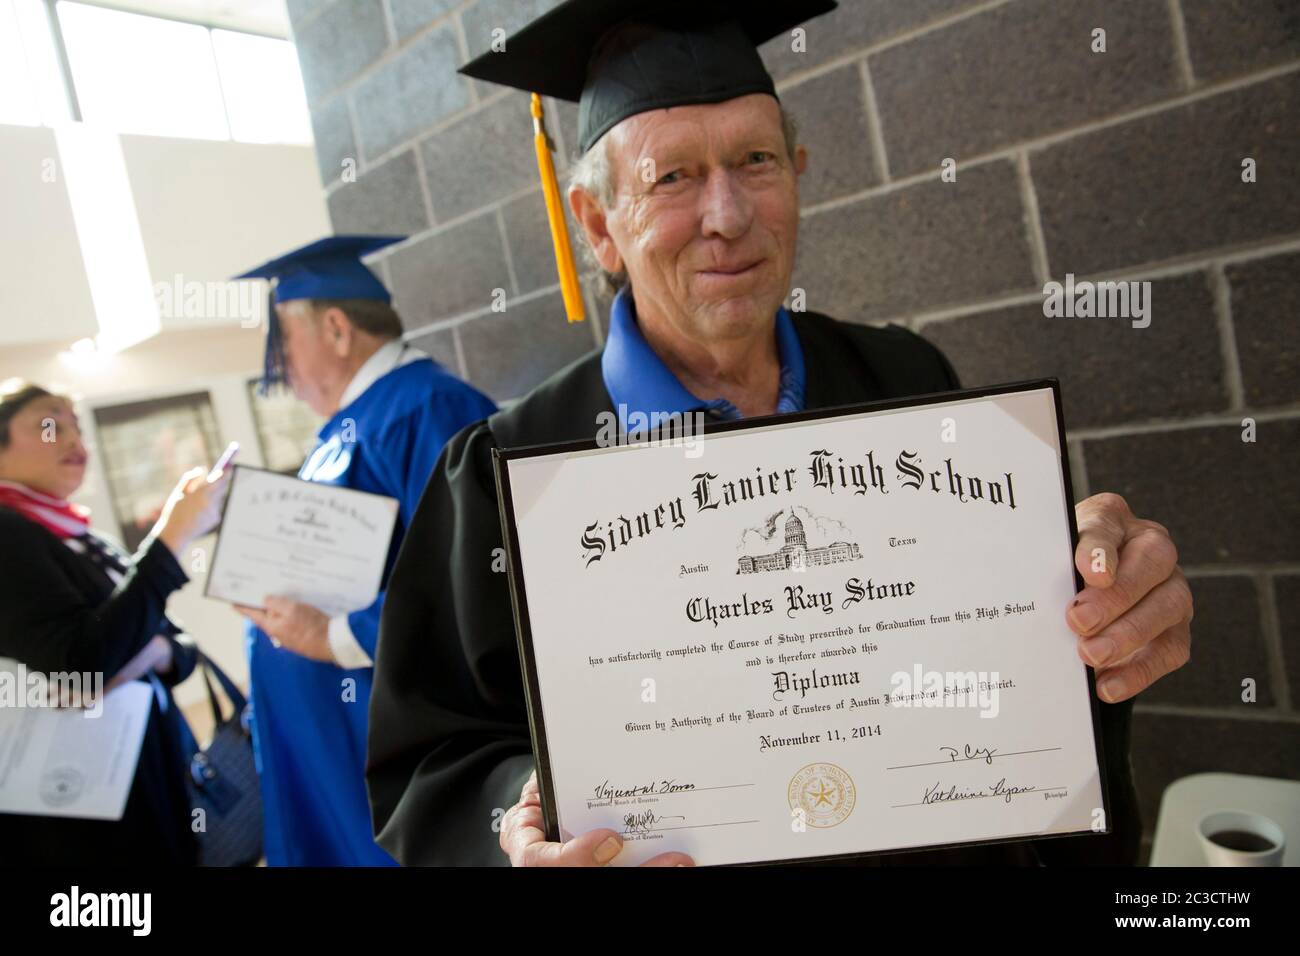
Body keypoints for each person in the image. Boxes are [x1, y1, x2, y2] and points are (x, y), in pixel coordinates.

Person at [367, 0, 1194, 867]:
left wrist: (1106, 616)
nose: (726, 214)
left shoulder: (908, 383)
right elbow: (431, 759)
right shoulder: (508, 471)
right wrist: (519, 818)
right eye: (673, 177)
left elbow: (1024, 667)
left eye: (754, 160)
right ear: (598, 224)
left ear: (797, 172)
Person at [230, 235, 497, 866]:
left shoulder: (428, 408)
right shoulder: (355, 423)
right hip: (330, 746)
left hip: (383, 746)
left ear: (336, 329)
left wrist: (335, 637)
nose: (282, 372)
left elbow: (476, 575)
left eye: (283, 345)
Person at [0, 381, 230, 864]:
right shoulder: (8, 533)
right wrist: (173, 534)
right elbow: (81, 666)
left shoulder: (83, 537)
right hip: (80, 822)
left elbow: (172, 645)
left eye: (76, 427)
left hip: (146, 784)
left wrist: (156, 651)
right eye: (49, 424)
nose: (72, 441)